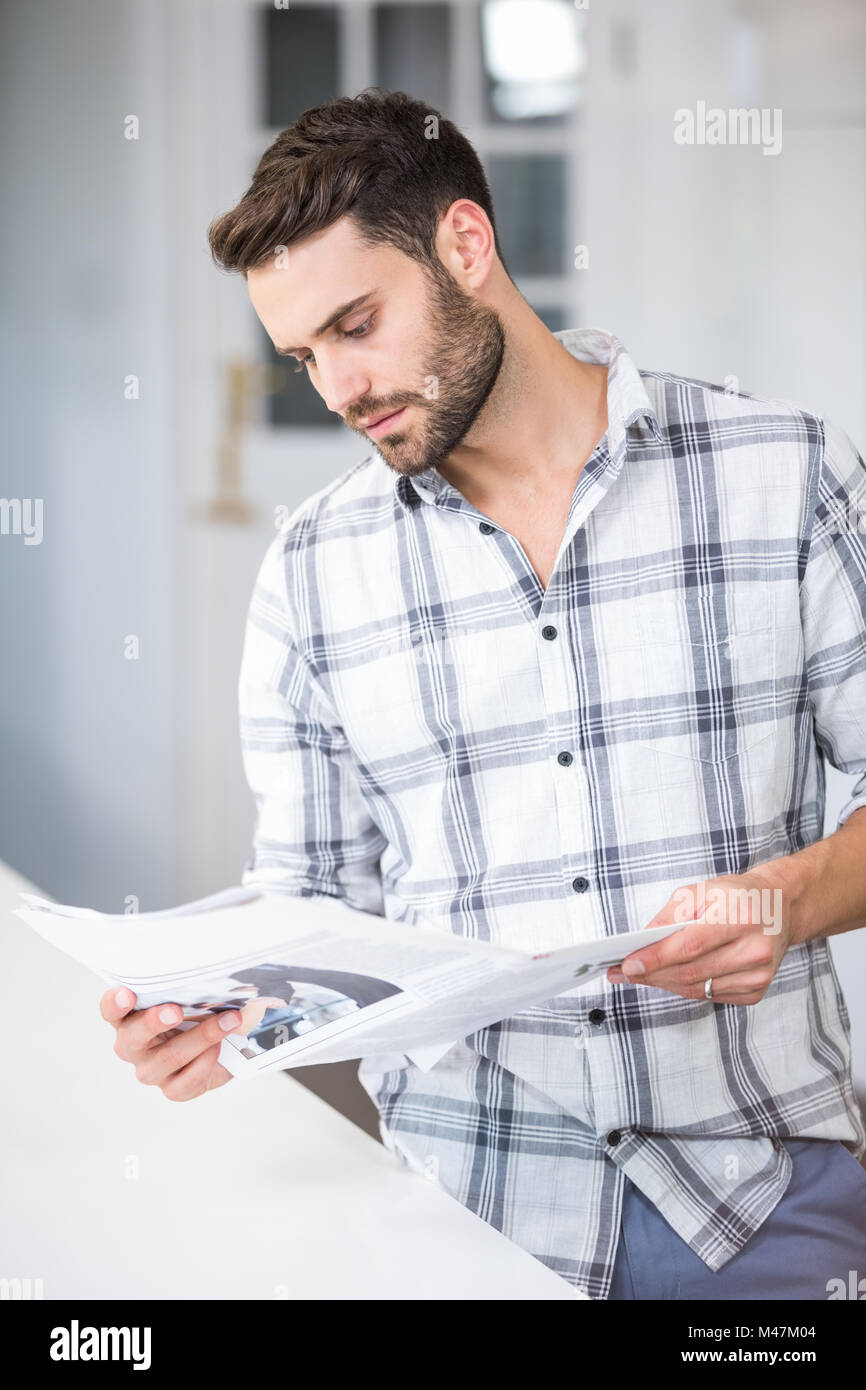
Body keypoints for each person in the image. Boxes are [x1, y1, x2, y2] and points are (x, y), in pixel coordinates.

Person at [102, 89, 866, 1300]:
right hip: (468, 1215)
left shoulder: (784, 473)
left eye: (357, 323)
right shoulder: (308, 573)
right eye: (304, 356)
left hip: (765, 1194)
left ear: (465, 245)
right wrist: (226, 1014)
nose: (340, 388)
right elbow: (312, 912)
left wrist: (790, 899)